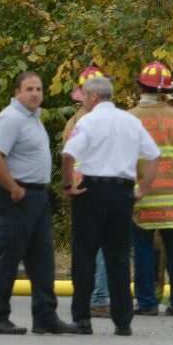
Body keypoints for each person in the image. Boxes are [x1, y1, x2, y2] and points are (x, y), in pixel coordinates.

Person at [62, 75, 161, 336]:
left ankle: (82, 319)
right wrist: (143, 189)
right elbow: (154, 155)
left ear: (93, 96)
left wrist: (68, 185)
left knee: (84, 256)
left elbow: (68, 154)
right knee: (118, 257)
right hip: (122, 192)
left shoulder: (88, 121)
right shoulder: (130, 121)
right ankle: (123, 321)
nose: (83, 101)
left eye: (85, 96)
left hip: (91, 191)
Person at [0, 71, 77, 335]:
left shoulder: (33, 118)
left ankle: (45, 316)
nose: (35, 93)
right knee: (9, 257)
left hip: (36, 195)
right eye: (29, 89)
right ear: (17, 92)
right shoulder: (11, 118)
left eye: (39, 89)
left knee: (42, 258)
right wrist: (13, 187)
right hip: (16, 195)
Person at [129, 60, 173, 317]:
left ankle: (146, 303)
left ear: (141, 87)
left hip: (141, 196)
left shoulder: (130, 118)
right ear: (166, 91)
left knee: (143, 251)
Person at [61, 65, 111, 318]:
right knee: (101, 245)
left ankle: (88, 295)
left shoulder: (75, 121)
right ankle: (98, 298)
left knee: (86, 245)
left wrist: (68, 185)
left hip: (80, 187)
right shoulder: (90, 121)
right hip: (95, 185)